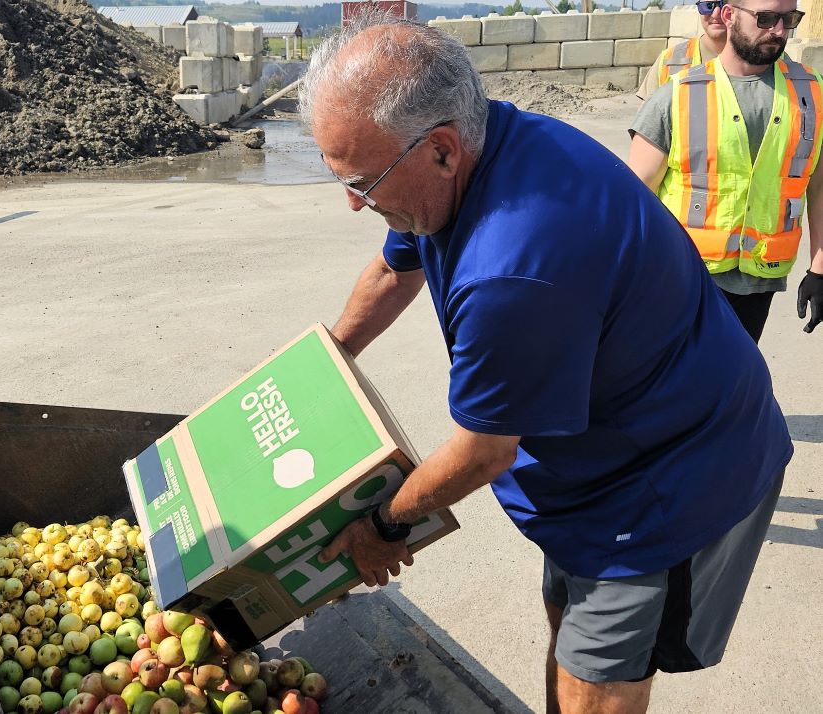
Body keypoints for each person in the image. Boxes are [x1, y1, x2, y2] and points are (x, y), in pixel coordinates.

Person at [299, 14, 793, 714]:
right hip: (590, 461)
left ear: (441, 149)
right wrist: (324, 361)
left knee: (597, 672)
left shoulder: (512, 268)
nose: (354, 202)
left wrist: (383, 527)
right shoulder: (485, 143)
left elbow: (483, 452)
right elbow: (391, 270)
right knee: (566, 629)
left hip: (662, 479)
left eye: (363, 181)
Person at [629, 0, 823, 343]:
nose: (779, 30)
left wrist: (820, 269)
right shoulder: (678, 94)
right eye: (766, 18)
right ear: (730, 16)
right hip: (682, 279)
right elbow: (632, 197)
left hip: (759, 280)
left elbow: (819, 186)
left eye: (788, 19)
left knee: (732, 385)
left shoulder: (810, 93)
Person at [637, 0, 727, 100]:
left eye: (725, 5)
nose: (716, 13)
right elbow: (649, 113)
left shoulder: (747, 59)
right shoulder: (669, 60)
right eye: (708, 6)